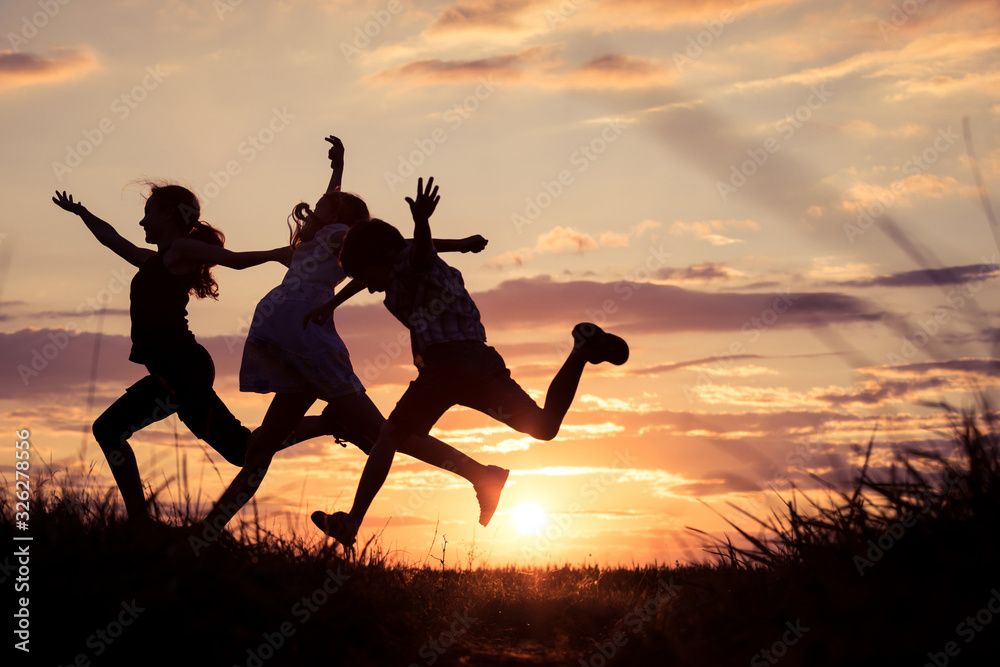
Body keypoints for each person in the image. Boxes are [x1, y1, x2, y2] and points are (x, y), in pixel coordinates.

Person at [192, 138, 509, 547]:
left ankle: (481, 474)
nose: (318, 204)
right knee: (261, 447)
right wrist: (338, 167)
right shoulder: (318, 238)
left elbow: (398, 248)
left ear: (340, 218)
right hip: (293, 342)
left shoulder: (338, 234)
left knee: (386, 433)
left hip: (305, 340)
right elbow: (332, 198)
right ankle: (206, 532)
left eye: (328, 205)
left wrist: (459, 244)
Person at [308, 177, 629, 546]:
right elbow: (386, 267)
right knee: (543, 426)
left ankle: (351, 522)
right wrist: (331, 304)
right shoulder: (395, 271)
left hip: (446, 366)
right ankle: (581, 352)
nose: (368, 285)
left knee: (389, 435)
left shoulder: (411, 265)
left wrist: (422, 221)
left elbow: (420, 252)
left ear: (384, 257)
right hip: (479, 364)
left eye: (366, 275)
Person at [52, 184, 288, 521]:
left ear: (168, 213)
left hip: (182, 368)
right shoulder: (154, 260)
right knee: (240, 449)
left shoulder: (180, 249)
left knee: (111, 430)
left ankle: (139, 521)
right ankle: (140, 522)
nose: (142, 222)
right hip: (172, 370)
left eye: (148, 212)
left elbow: (233, 261)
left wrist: (276, 253)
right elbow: (112, 239)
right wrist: (82, 212)